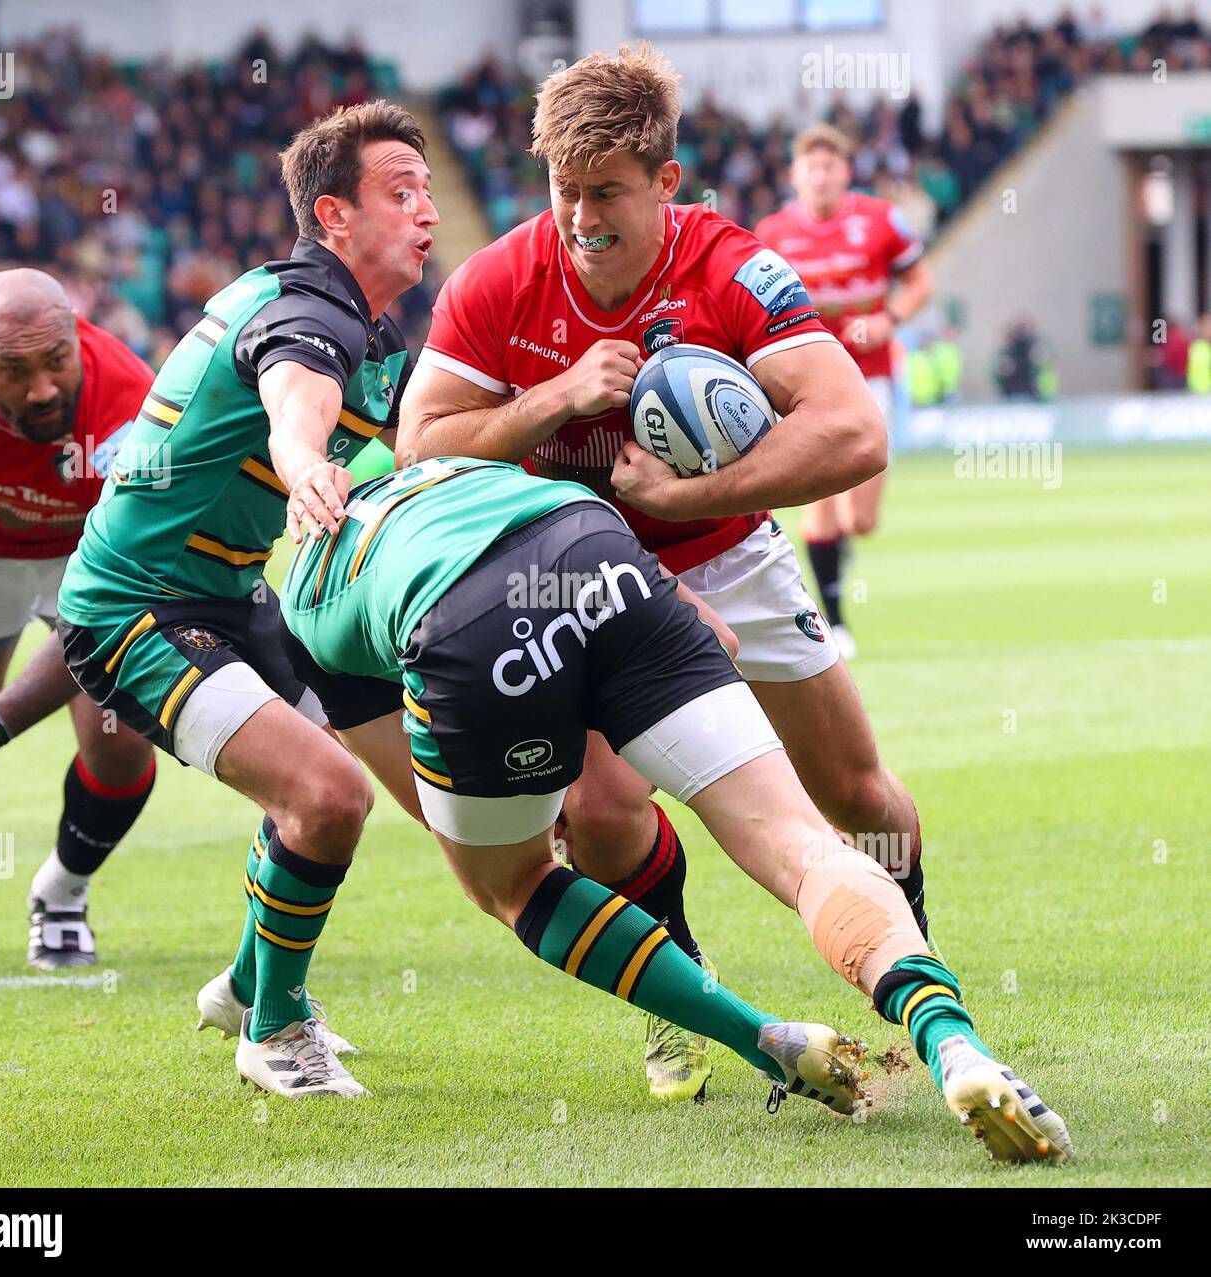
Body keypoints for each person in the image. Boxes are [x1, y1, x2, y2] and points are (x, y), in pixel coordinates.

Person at [393, 46, 935, 1104]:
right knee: (597, 811)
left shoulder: (731, 267)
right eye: (564, 191)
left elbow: (853, 429)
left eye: (607, 193)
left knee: (857, 794)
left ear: (667, 184)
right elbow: (421, 445)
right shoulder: (499, 278)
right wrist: (553, 396)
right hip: (572, 584)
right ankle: (679, 999)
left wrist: (687, 496)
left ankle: (915, 968)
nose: (581, 217)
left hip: (723, 553)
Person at [278, 455, 1072, 1163]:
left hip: (464, 617)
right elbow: (705, 629)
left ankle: (759, 1037)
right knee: (799, 841)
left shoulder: (305, 596)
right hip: (591, 541)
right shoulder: (447, 466)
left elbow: (427, 800)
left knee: (514, 885)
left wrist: (534, 801)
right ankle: (954, 1044)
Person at [57, 101, 438, 1097]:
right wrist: (308, 461)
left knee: (315, 790)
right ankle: (272, 1033)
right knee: (329, 791)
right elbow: (294, 402)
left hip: (232, 592)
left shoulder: (368, 327)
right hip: (135, 605)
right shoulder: (306, 315)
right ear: (334, 214)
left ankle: (246, 984)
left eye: (430, 190)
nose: (428, 211)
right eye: (401, 193)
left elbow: (417, 449)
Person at [0, 270, 157, 967]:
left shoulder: (129, 406)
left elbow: (121, 587)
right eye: (14, 371)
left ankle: (64, 891)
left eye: (56, 360)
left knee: (120, 742)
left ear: (76, 336)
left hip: (90, 556)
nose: (44, 388)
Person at [754, 124, 934, 657]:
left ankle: (843, 556)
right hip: (804, 384)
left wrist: (889, 320)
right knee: (821, 501)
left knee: (861, 518)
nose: (820, 176)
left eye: (830, 166)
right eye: (810, 167)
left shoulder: (880, 221)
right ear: (794, 174)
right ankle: (834, 622)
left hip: (870, 374)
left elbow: (921, 280)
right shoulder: (772, 233)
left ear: (845, 172)